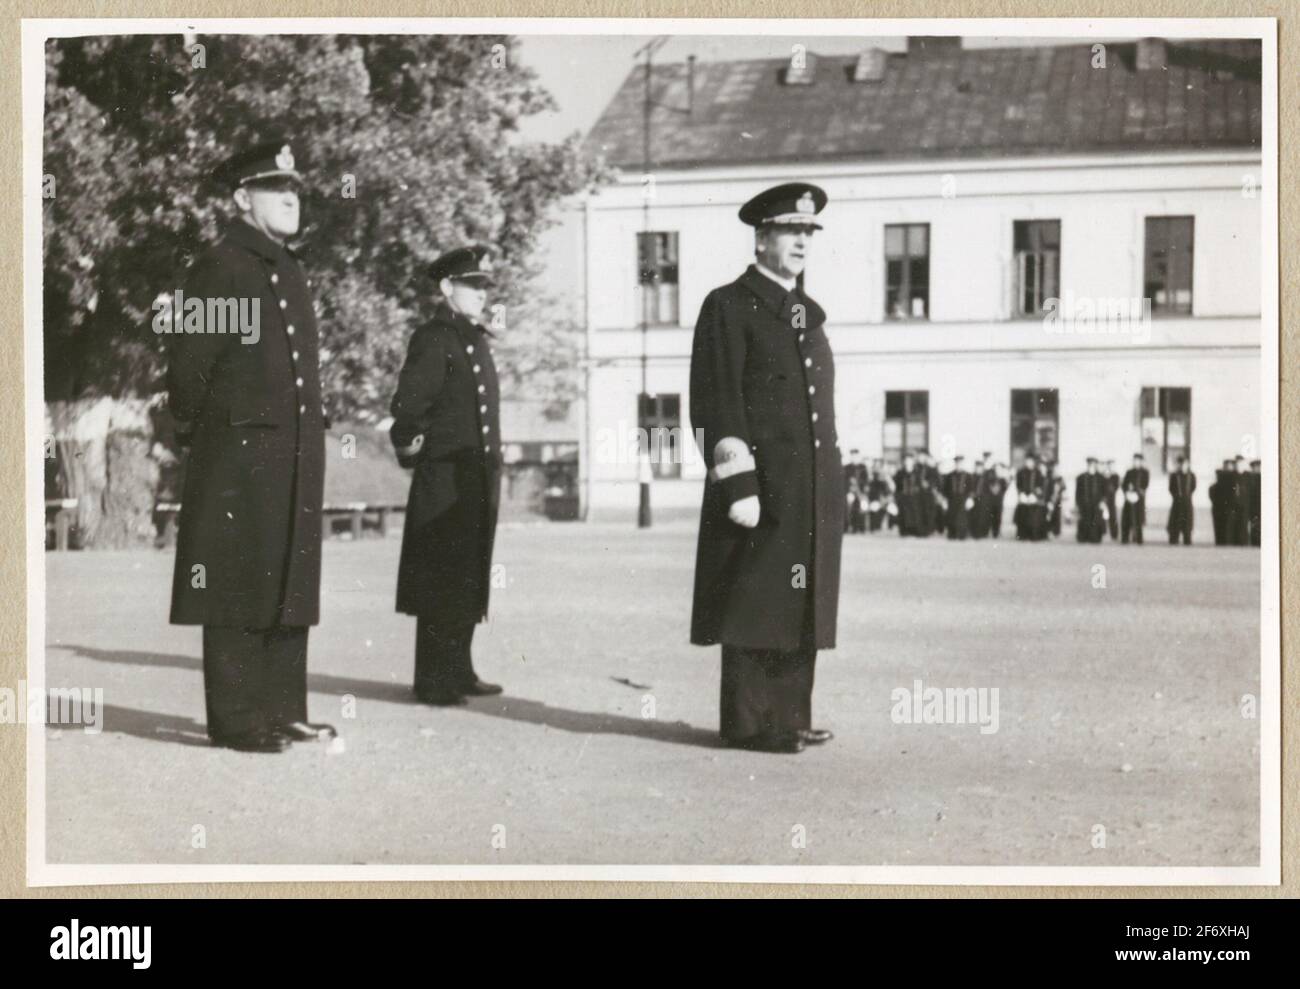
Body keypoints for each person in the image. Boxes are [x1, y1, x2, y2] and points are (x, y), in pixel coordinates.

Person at [167, 139, 334, 753]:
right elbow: (188, 367)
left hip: (292, 453)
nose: (292, 199)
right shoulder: (223, 265)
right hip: (238, 456)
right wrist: (205, 440)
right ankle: (237, 719)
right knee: (237, 580)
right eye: (278, 189)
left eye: (295, 190)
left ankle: (285, 708)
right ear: (242, 198)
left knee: (290, 575)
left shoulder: (287, 267)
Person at [688, 182, 841, 755]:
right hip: (762, 488)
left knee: (801, 600)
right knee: (757, 601)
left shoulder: (805, 312)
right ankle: (751, 723)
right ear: (762, 238)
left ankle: (790, 715)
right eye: (790, 231)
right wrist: (738, 482)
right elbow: (714, 399)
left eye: (808, 233)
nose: (802, 242)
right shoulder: (728, 306)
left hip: (809, 489)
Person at [390, 246, 505, 705]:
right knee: (442, 575)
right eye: (473, 285)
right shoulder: (435, 337)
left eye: (484, 286)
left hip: (475, 476)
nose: (482, 294)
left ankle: (459, 668)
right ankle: (434, 678)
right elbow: (409, 405)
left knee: (469, 572)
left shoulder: (474, 338)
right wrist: (412, 446)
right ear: (447, 289)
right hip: (444, 475)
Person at [892, 451, 929, 537]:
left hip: (915, 498)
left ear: (913, 462)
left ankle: (916, 531)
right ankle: (905, 531)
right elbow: (897, 487)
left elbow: (921, 486)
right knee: (904, 515)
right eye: (906, 460)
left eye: (910, 460)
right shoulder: (900, 473)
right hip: (904, 498)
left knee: (916, 515)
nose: (908, 462)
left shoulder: (918, 473)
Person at [1074, 457, 1108, 543]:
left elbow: (1105, 492)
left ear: (1095, 465)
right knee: (1084, 520)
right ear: (1087, 465)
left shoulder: (1101, 478)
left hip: (1096, 504)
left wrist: (1103, 502)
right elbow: (1078, 492)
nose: (1091, 466)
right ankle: (1083, 537)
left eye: (1093, 465)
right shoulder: (1081, 477)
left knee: (1096, 520)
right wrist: (1077, 503)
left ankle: (1095, 538)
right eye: (1090, 465)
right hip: (1085, 504)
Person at [1014, 453, 1046, 541]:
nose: (1028, 463)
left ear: (1033, 462)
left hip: (1033, 498)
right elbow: (1018, 485)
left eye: (1030, 461)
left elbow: (1040, 485)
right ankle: (1022, 536)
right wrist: (1021, 494)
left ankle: (1033, 535)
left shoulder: (1038, 472)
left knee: (1033, 518)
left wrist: (1034, 495)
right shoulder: (1020, 472)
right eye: (1027, 461)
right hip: (1023, 497)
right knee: (1022, 516)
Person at [942, 455, 976, 540]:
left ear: (962, 464)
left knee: (962, 518)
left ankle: (962, 535)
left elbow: (971, 488)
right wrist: (944, 499)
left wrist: (970, 499)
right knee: (952, 517)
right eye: (957, 463)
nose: (958, 465)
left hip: (963, 499)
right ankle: (952, 535)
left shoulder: (968, 475)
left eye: (960, 463)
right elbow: (945, 489)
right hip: (952, 499)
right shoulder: (949, 475)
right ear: (955, 464)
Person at [1120, 453, 1150, 544]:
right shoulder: (1129, 472)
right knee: (1127, 518)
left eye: (1137, 460)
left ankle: (1139, 539)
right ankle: (1125, 538)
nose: (1135, 462)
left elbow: (1145, 485)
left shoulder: (1145, 472)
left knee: (1138, 519)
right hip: (1129, 499)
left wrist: (1137, 491)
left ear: (1141, 461)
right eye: (1134, 460)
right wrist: (1127, 492)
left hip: (1139, 499)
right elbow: (1124, 484)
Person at [1167, 455, 1196, 545]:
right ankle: (1174, 540)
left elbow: (1193, 487)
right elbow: (1171, 488)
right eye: (1180, 464)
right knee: (1175, 523)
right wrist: (1177, 496)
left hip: (1187, 502)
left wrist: (1186, 496)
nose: (1182, 466)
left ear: (1187, 464)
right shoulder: (1174, 475)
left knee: (1187, 524)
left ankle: (1187, 540)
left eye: (1184, 464)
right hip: (1177, 503)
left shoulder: (1191, 475)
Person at [1228, 455, 1252, 546]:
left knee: (1243, 523)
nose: (1238, 465)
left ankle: (1243, 543)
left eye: (1240, 463)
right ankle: (1233, 543)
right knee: (1233, 523)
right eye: (1236, 463)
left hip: (1244, 503)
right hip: (1233, 504)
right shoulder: (1232, 475)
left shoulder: (1248, 476)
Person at [1209, 458, 1233, 545]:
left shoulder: (1230, 479)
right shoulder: (1215, 485)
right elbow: (1212, 494)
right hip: (1218, 507)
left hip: (1226, 506)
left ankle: (1225, 541)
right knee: (1218, 525)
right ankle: (1219, 541)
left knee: (1226, 525)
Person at [1043, 460, 1065, 538]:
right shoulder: (1047, 478)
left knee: (1056, 515)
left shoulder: (1060, 478)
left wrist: (1060, 490)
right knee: (1048, 515)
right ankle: (1047, 531)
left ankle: (1056, 532)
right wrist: (1048, 501)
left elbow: (1063, 488)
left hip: (1057, 500)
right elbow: (1045, 490)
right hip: (1048, 500)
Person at [1103, 459, 1121, 541]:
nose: (1110, 467)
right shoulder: (1103, 475)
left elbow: (1115, 487)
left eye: (1112, 465)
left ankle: (1114, 534)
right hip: (1104, 498)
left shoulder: (1115, 476)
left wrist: (1108, 478)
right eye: (1109, 465)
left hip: (1112, 499)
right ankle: (1102, 532)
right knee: (1102, 516)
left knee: (1113, 516)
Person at [1249, 459, 1262, 546]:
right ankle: (1254, 542)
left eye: (1258, 467)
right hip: (1252, 506)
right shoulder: (1250, 478)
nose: (1256, 469)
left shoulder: (1263, 478)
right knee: (1254, 525)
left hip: (1261, 506)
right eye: (1255, 467)